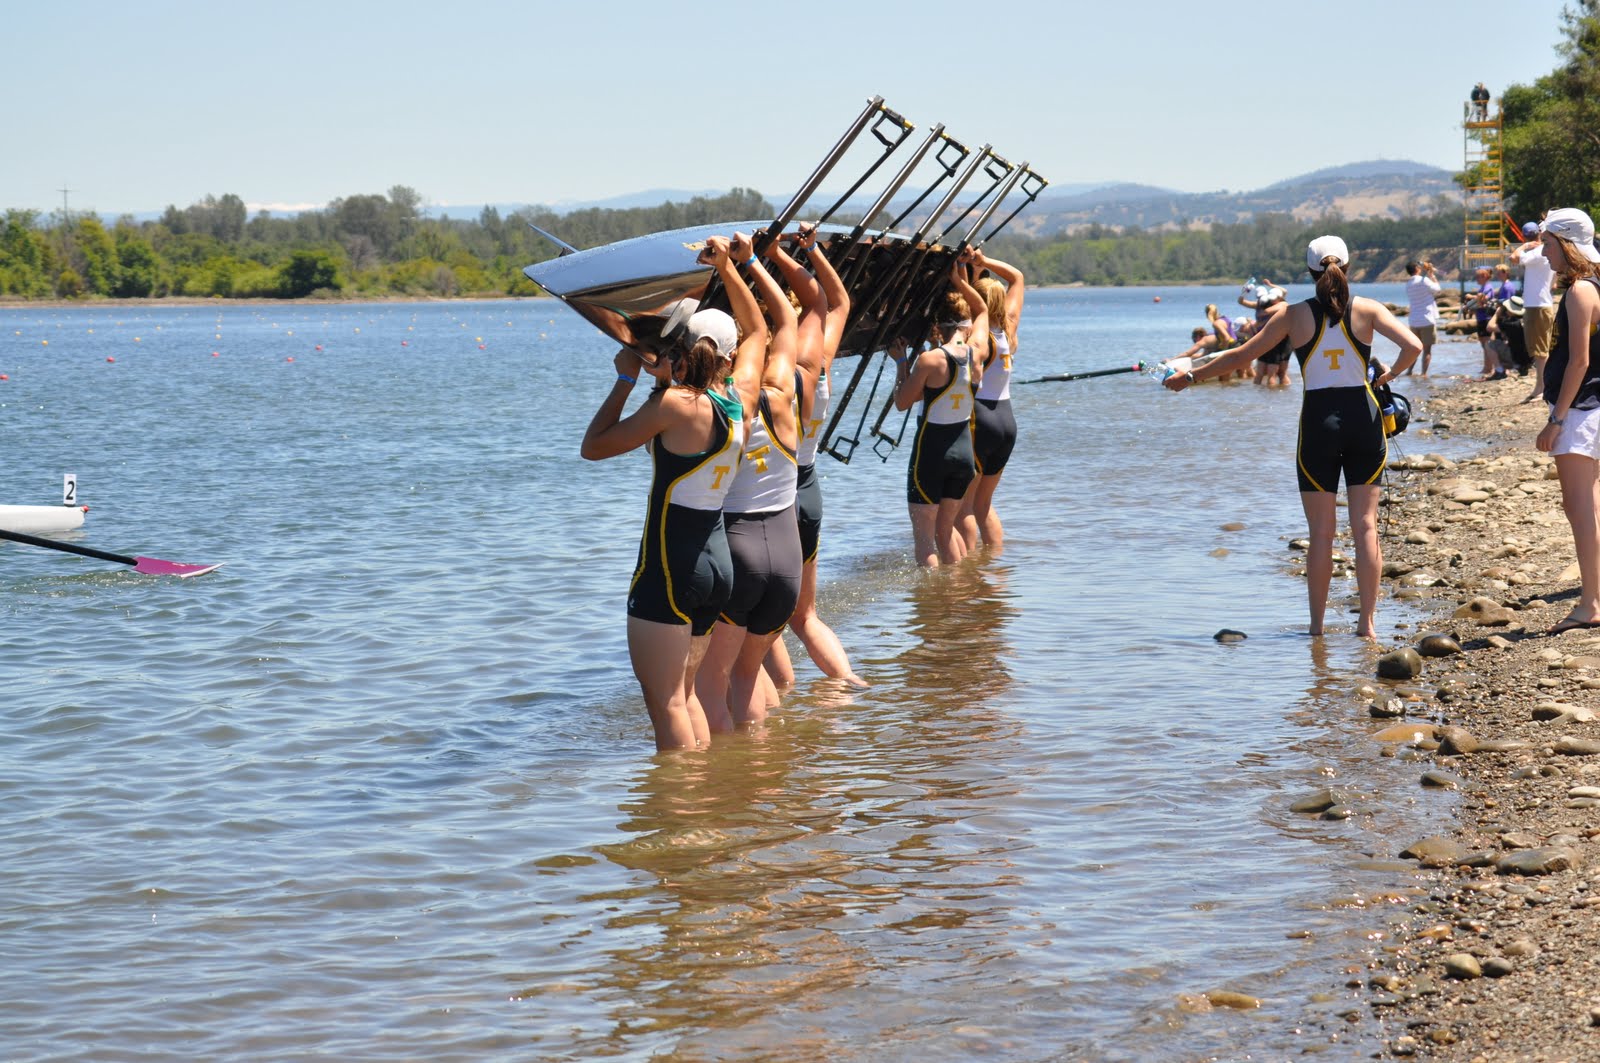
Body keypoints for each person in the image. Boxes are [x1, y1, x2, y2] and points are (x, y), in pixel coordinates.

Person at [1164, 235, 1422, 638]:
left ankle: (1317, 629)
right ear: (1348, 269)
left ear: (1310, 273)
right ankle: (1367, 626)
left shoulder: (1292, 316)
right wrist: (1388, 376)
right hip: (1364, 419)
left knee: (1321, 532)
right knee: (1366, 526)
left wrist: (1191, 376)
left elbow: (1240, 356)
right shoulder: (1370, 309)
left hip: (1319, 423)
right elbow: (1414, 344)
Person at [579, 239, 766, 751]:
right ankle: (702, 807)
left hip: (670, 565)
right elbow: (760, 332)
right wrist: (731, 267)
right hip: (715, 563)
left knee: (667, 706)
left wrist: (624, 379)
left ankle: (681, 821)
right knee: (684, 697)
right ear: (727, 355)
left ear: (680, 351)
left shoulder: (675, 405)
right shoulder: (741, 400)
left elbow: (593, 448)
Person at [695, 232, 806, 733]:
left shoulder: (713, 408)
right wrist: (743, 264)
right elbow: (774, 324)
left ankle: (725, 788)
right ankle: (762, 782)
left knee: (712, 681)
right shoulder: (784, 392)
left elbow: (755, 334)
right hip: (787, 554)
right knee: (746, 675)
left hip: (738, 548)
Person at [760, 226, 867, 689]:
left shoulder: (765, 376)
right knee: (804, 615)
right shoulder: (816, 365)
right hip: (809, 489)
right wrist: (804, 252)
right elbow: (833, 302)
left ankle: (779, 699)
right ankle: (846, 684)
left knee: (759, 619)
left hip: (774, 498)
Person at [893, 257, 990, 568]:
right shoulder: (978, 352)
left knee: (925, 536)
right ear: (967, 324)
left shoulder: (930, 360)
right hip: (963, 454)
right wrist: (961, 282)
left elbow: (902, 401)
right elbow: (984, 311)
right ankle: (958, 591)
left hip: (931, 453)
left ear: (937, 325)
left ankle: (933, 609)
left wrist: (901, 363)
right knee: (945, 530)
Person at [1533, 208, 1600, 634]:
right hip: (1596, 405)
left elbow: (1579, 361)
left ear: (1565, 243)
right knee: (1590, 504)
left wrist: (1556, 418)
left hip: (1582, 410)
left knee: (1579, 507)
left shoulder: (1579, 291)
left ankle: (1591, 603)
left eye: (1548, 243)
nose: (1543, 252)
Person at [957, 249, 1026, 551]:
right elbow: (1017, 278)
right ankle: (994, 567)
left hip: (980, 420)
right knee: (984, 503)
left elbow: (963, 301)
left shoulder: (976, 335)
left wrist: (961, 270)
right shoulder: (1008, 329)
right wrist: (983, 263)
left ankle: (968, 575)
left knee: (964, 507)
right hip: (1006, 420)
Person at [1514, 221, 1559, 403]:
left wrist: (1524, 246)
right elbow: (1555, 276)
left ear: (1525, 236)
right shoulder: (1544, 251)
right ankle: (1541, 386)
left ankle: (1542, 388)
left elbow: (1514, 257)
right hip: (1538, 303)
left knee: (1540, 349)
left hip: (1538, 304)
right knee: (1539, 348)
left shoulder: (1536, 252)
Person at [1240, 282, 1292, 386]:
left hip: (1280, 340)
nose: (1273, 300)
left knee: (1279, 373)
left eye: (1274, 298)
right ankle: (1263, 398)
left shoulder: (1282, 304)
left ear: (1280, 297)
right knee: (1265, 373)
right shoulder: (1265, 304)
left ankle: (1271, 398)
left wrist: (1270, 284)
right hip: (1269, 339)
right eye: (1271, 298)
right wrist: (1245, 291)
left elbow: (1266, 312)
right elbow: (1242, 302)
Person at [1403, 260, 1441, 376]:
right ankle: (1423, 374)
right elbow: (1437, 290)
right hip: (1427, 319)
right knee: (1427, 350)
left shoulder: (1409, 284)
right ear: (1417, 269)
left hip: (1414, 320)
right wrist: (1432, 275)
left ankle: (1409, 371)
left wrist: (1428, 274)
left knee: (1415, 349)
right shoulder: (1424, 281)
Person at [1466, 266, 1502, 379]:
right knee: (1483, 343)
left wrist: (1471, 296)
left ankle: (1489, 367)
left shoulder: (1488, 287)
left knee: (1487, 343)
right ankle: (1487, 366)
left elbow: (1483, 299)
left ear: (1485, 276)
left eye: (1478, 276)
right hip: (1480, 317)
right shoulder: (1483, 287)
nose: (1476, 278)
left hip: (1486, 317)